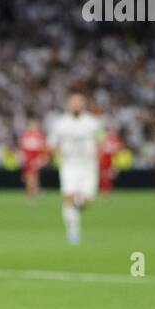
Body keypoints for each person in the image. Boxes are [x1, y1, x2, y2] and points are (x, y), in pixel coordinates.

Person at [47, 91, 103, 244]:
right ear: (69, 104)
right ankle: (73, 231)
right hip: (69, 164)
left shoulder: (92, 122)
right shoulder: (60, 123)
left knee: (86, 200)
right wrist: (57, 157)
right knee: (69, 196)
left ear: (83, 104)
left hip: (88, 164)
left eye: (80, 102)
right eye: (74, 102)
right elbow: (52, 144)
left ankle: (78, 206)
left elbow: (100, 139)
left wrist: (99, 153)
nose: (77, 105)